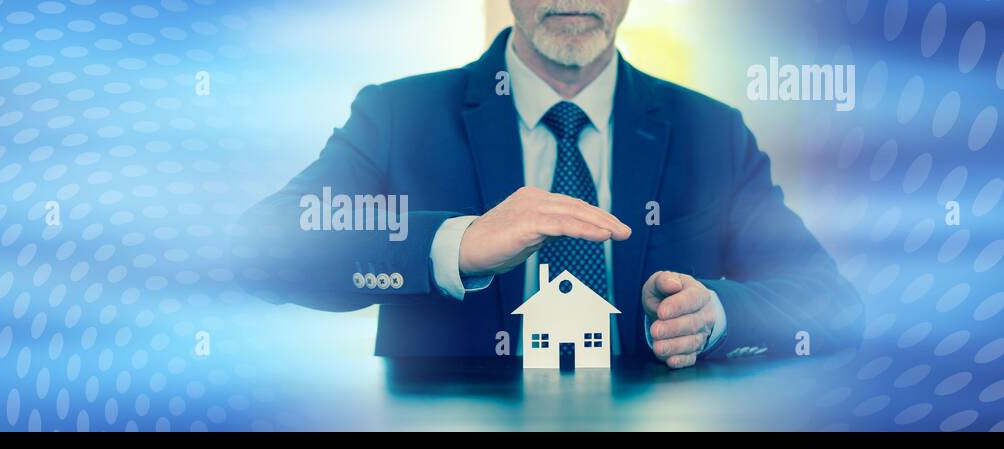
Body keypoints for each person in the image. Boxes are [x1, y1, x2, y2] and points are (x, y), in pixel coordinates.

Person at [235, 0, 864, 369]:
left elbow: (830, 302)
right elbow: (262, 249)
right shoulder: (399, 116)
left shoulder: (710, 131)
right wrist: (455, 245)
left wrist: (716, 314)